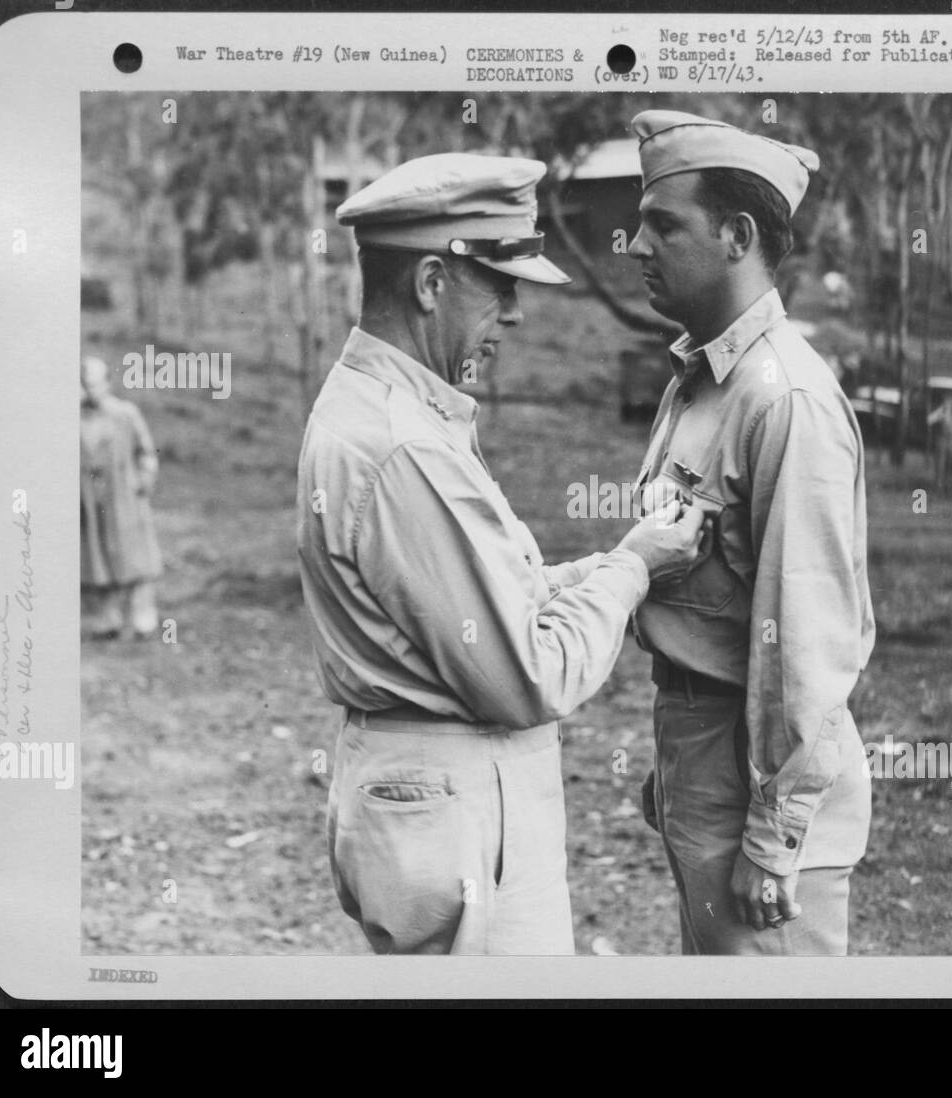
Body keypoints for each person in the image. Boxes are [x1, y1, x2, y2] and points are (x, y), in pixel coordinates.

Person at [296, 152, 704, 956]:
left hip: (427, 790)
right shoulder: (404, 446)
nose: (514, 313)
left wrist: (617, 557)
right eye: (500, 284)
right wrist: (633, 572)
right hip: (458, 806)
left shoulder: (385, 408)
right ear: (430, 284)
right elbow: (528, 675)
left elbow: (482, 604)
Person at [625, 110, 876, 955]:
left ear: (736, 236)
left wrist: (771, 838)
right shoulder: (700, 378)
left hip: (758, 791)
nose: (635, 245)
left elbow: (806, 638)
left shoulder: (784, 399)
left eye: (663, 225)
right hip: (710, 758)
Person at [80, 354, 162, 640]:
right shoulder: (74, 417)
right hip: (90, 500)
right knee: (96, 558)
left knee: (135, 557)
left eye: (95, 383)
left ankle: (142, 618)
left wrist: (142, 482)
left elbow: (146, 452)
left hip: (124, 495)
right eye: (85, 384)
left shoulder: (125, 413)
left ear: (107, 383)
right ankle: (106, 619)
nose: (90, 390)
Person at [928, 394, 952, 496]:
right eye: (946, 402)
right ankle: (939, 488)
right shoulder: (940, 413)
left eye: (950, 402)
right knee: (940, 465)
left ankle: (949, 488)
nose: (948, 404)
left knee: (951, 466)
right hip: (941, 441)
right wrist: (940, 412)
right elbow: (929, 420)